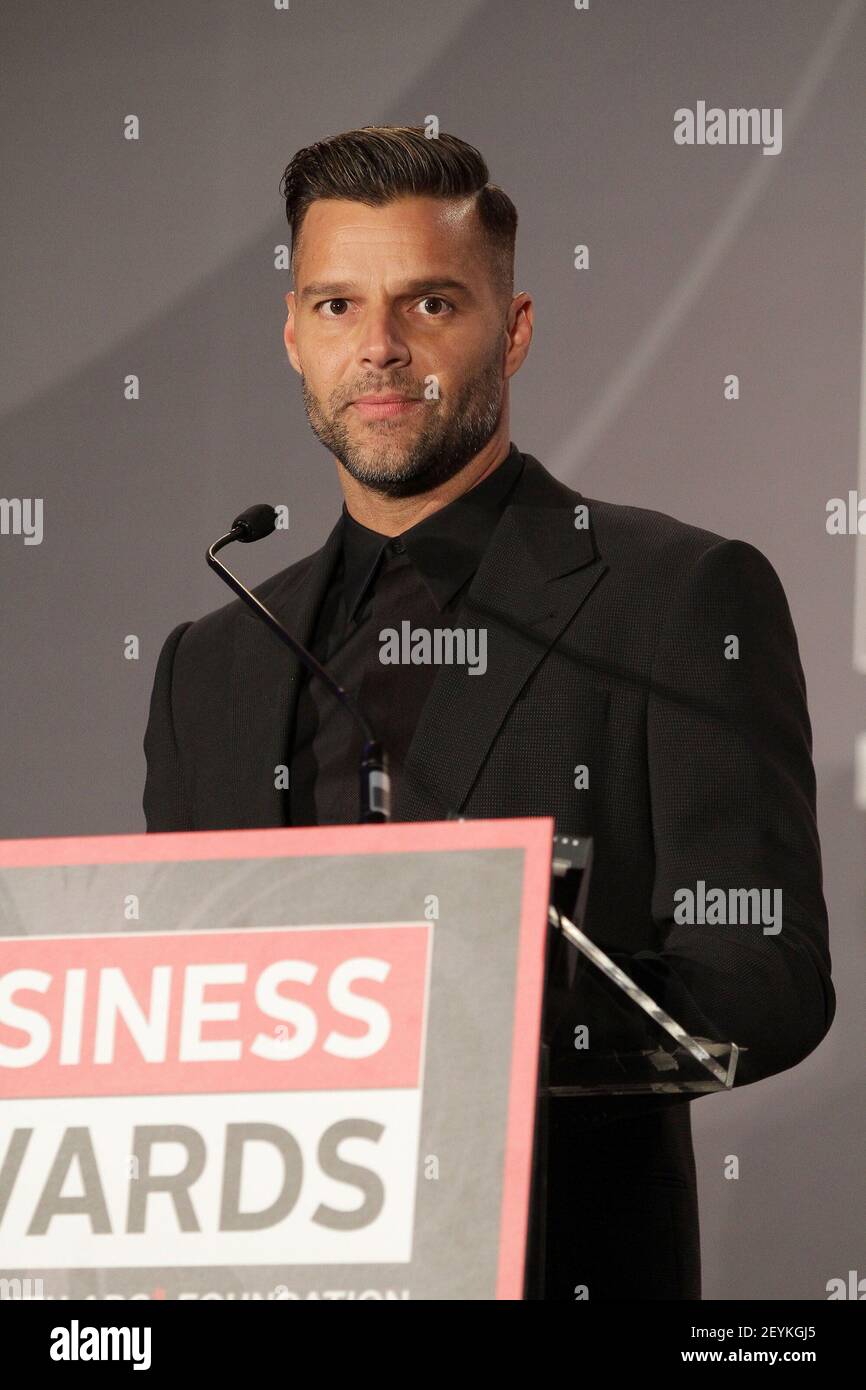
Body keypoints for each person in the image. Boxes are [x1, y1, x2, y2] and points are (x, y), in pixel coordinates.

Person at [143, 125, 835, 1299]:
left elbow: (764, 980)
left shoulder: (673, 595)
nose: (378, 348)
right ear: (291, 339)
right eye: (333, 307)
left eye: (428, 304)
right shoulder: (210, 661)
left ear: (509, 332)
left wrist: (474, 1023)